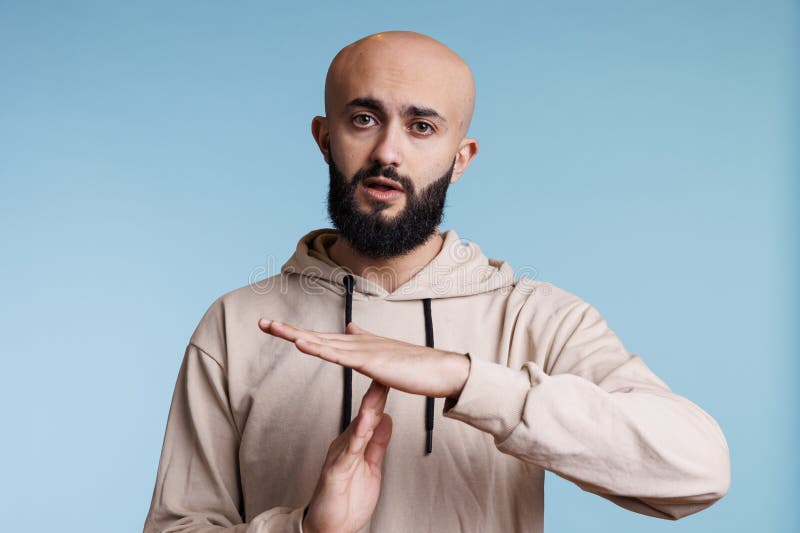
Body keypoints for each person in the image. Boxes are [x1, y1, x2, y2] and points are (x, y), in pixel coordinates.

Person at [143, 31, 730, 533]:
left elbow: (698, 468)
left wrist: (466, 378)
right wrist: (304, 528)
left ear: (461, 157)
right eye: (365, 119)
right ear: (325, 138)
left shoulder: (538, 318)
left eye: (422, 126)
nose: (388, 152)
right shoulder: (239, 322)